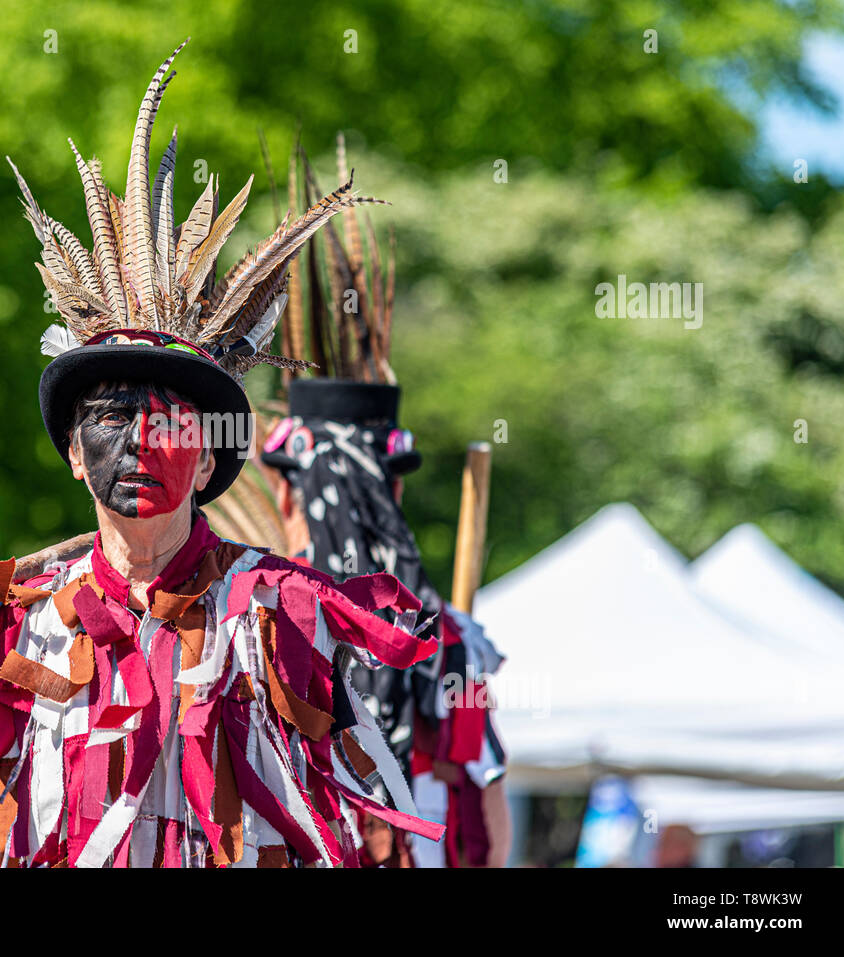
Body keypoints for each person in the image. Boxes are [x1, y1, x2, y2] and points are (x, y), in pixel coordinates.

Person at [0, 39, 444, 868]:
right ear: (75, 457)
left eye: (171, 418)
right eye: (112, 417)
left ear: (206, 461)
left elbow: (359, 832)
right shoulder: (14, 622)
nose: (142, 439)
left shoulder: (281, 610)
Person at [250, 137, 511, 867]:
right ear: (396, 486)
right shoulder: (453, 639)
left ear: (280, 484)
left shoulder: (241, 620)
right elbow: (484, 827)